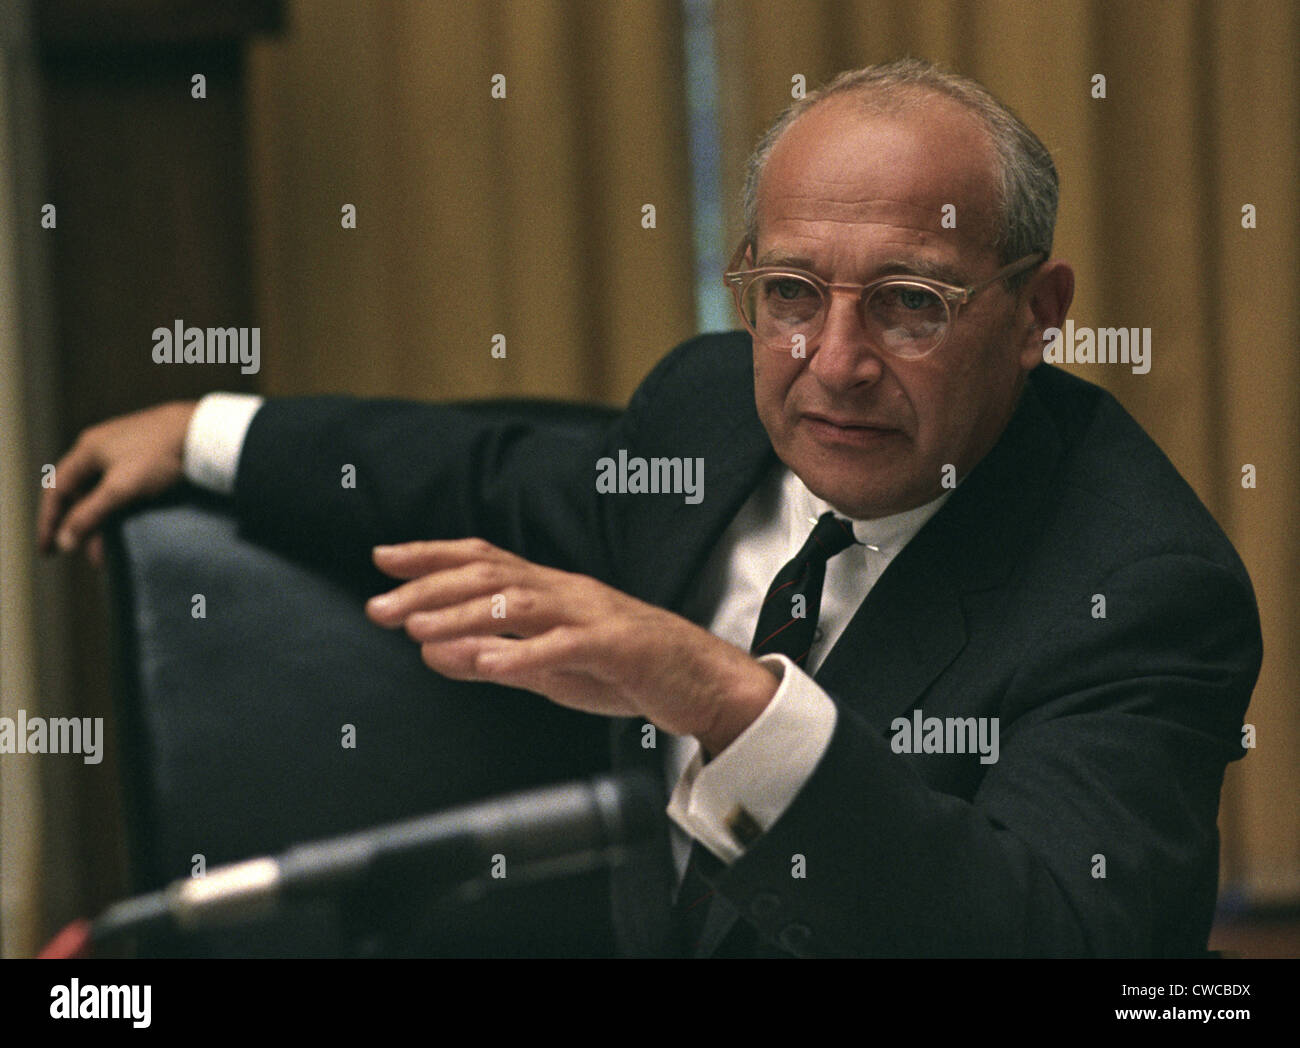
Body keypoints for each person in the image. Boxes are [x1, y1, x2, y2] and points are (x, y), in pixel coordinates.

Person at [38, 59, 1261, 957]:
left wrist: (725, 698)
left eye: (909, 305)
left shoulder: (1140, 589)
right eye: (788, 291)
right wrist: (205, 430)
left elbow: (1060, 935)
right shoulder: (704, 413)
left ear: (1038, 313)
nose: (831, 363)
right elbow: (492, 469)